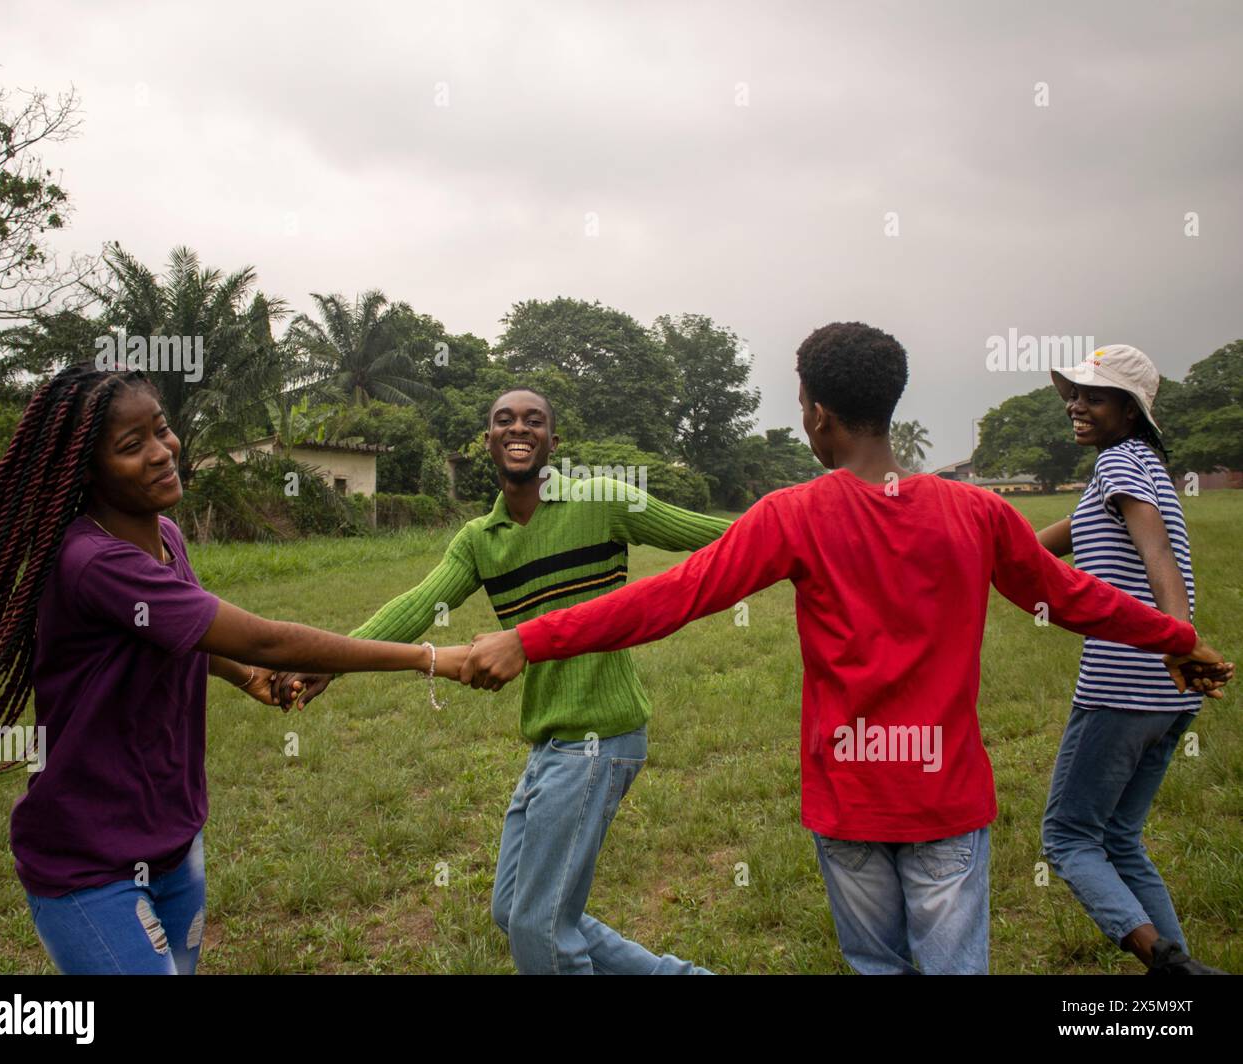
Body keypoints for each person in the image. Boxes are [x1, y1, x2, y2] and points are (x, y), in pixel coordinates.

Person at [462, 323, 1231, 975]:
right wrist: (1175, 637)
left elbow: (668, 600)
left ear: (820, 413)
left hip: (852, 805)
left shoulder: (792, 514)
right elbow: (1069, 599)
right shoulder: (976, 511)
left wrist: (529, 638)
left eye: (801, 404)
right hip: (946, 800)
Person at [0, 363, 467, 974]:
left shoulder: (165, 533)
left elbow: (178, 633)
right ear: (85, 470)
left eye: (161, 431)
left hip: (172, 834)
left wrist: (243, 676)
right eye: (131, 446)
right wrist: (430, 657)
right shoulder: (92, 561)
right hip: (88, 860)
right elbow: (268, 639)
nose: (162, 452)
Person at [274, 387, 729, 974]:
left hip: (600, 736)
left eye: (534, 420)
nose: (519, 428)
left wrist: (800, 535)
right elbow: (419, 604)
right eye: (505, 421)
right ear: (487, 440)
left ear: (552, 442)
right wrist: (334, 659)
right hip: (550, 741)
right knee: (516, 909)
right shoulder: (479, 540)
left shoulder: (600, 500)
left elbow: (712, 536)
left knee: (540, 926)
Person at [1037, 344, 1232, 975]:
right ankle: (1183, 979)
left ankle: (1161, 959)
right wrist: (965, 544)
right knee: (1119, 837)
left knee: (1068, 838)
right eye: (1075, 394)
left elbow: (1158, 558)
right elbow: (1034, 548)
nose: (1077, 405)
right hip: (1167, 696)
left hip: (1123, 686)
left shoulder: (1122, 468)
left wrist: (1179, 637)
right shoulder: (1131, 468)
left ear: (1130, 410)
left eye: (1094, 397)